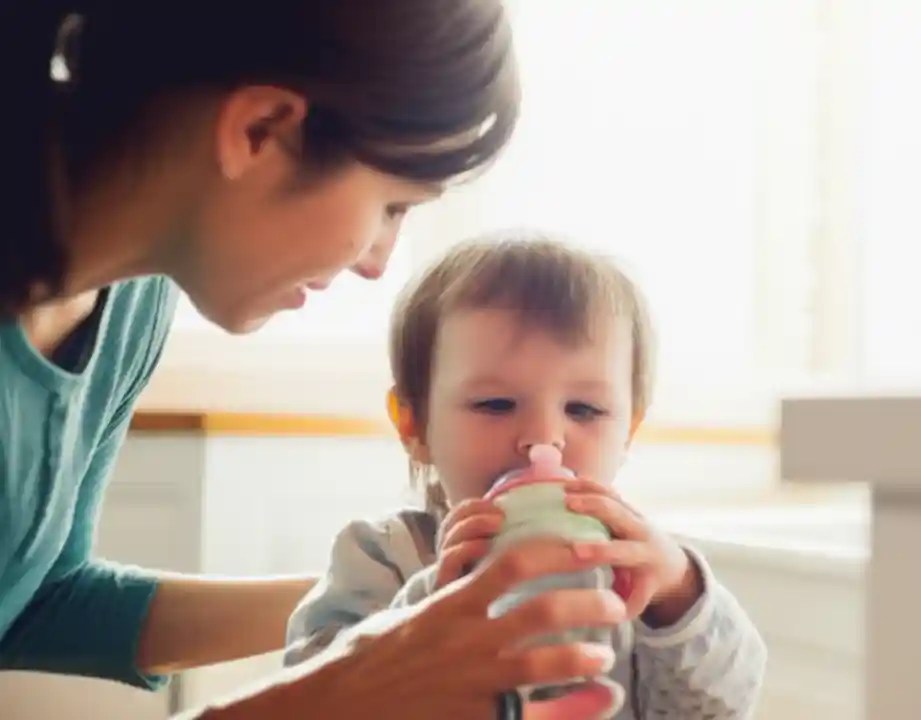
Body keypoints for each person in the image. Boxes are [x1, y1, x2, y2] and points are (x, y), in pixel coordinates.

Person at [0, 1, 627, 717]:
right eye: (393, 205)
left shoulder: (129, 302)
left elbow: (35, 601)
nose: (378, 262)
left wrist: (393, 596)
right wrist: (330, 695)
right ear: (261, 130)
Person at [283, 235, 768, 718]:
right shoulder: (384, 555)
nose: (542, 439)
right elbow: (307, 696)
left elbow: (720, 708)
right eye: (496, 404)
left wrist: (679, 594)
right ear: (414, 424)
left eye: (584, 409)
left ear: (629, 432)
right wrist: (429, 609)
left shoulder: (636, 571)